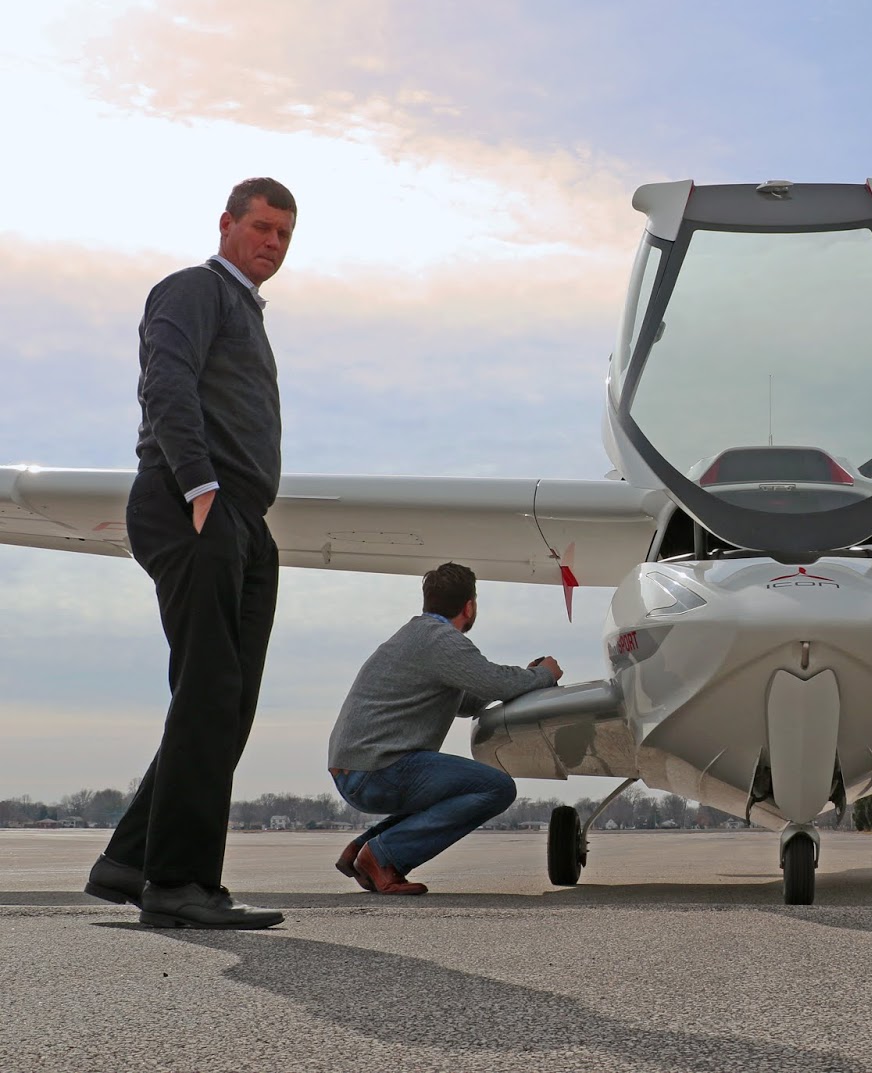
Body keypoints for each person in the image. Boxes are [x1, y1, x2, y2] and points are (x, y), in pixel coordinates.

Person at [84, 178, 297, 930]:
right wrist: (199, 483)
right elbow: (165, 378)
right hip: (194, 505)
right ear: (228, 224)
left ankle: (132, 859)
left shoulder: (246, 310)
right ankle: (178, 884)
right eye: (261, 227)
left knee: (225, 698)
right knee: (210, 690)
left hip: (242, 517)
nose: (271, 243)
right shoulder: (195, 288)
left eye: (283, 234)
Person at [326, 562, 563, 894]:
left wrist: (520, 680)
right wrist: (545, 675)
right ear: (469, 606)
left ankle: (363, 850)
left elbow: (468, 701)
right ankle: (381, 857)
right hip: (375, 769)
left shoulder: (418, 637)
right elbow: (494, 682)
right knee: (496, 787)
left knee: (454, 787)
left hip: (358, 768)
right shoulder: (440, 640)